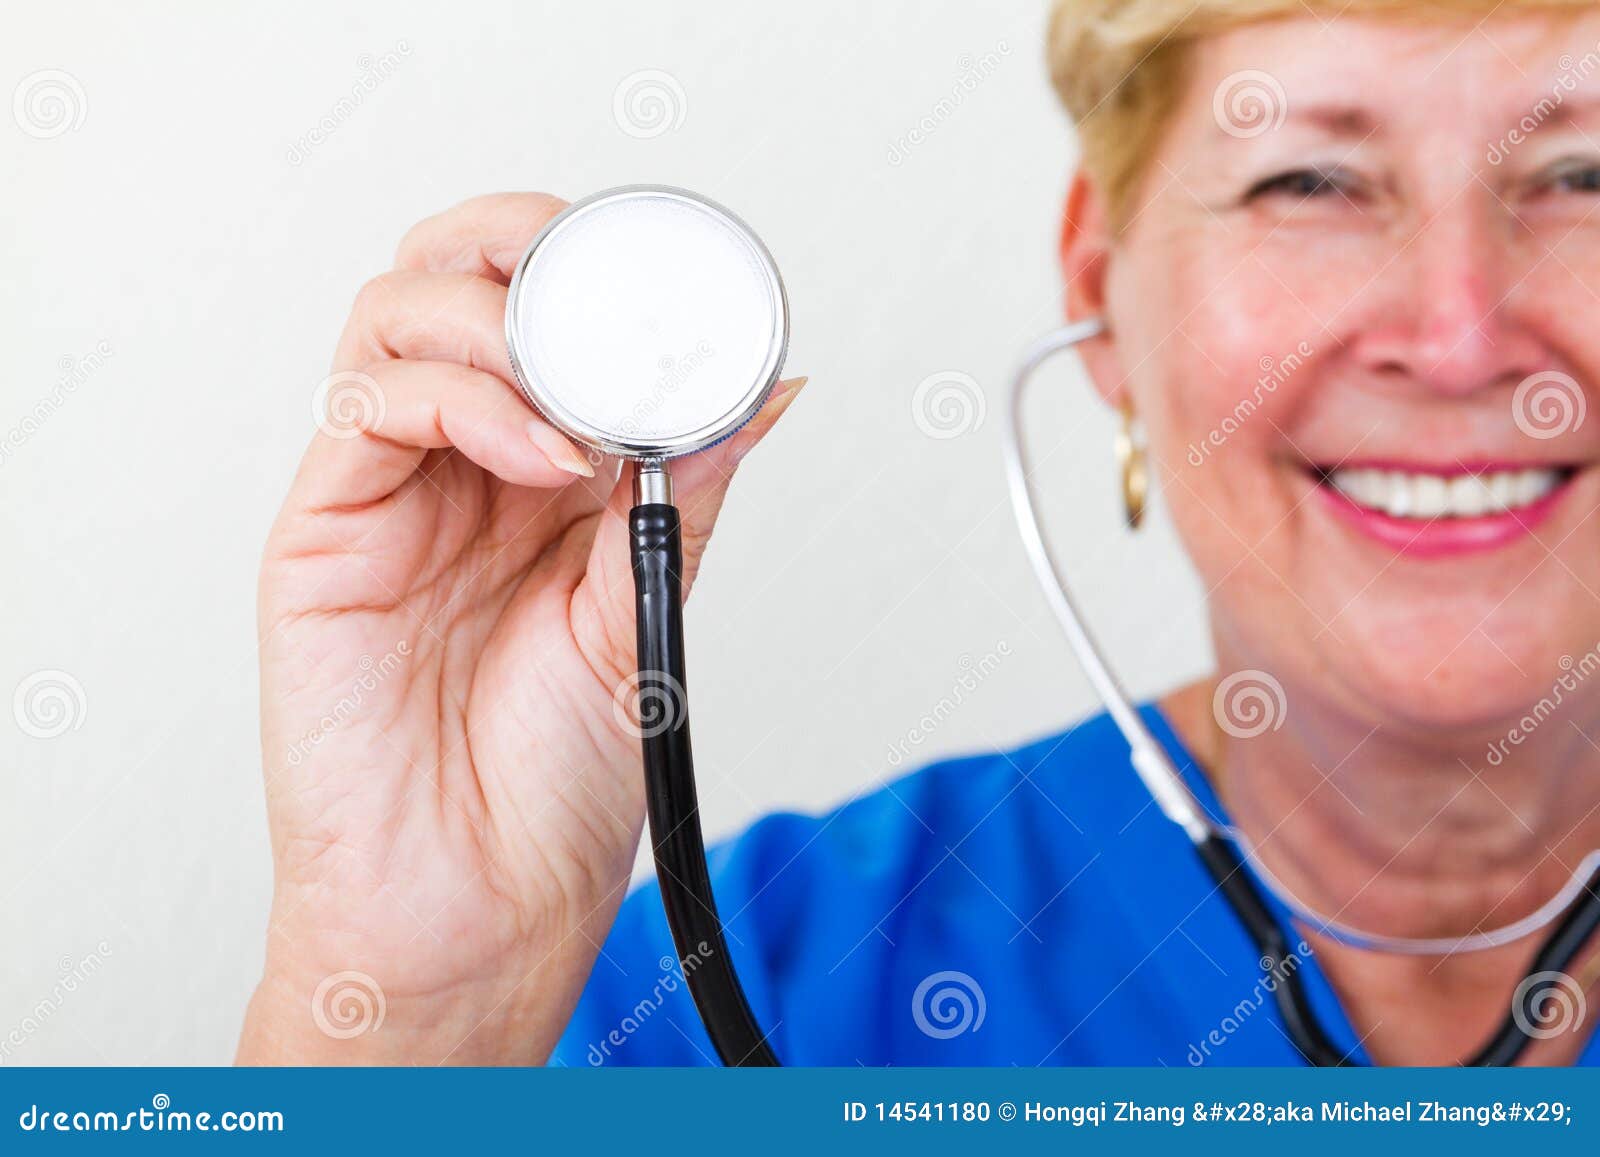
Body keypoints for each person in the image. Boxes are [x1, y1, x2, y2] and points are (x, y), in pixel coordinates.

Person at [237, 0, 1600, 1066]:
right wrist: (410, 1023)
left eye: (1583, 173)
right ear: (1102, 289)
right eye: (1308, 182)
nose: (1459, 332)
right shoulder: (742, 984)